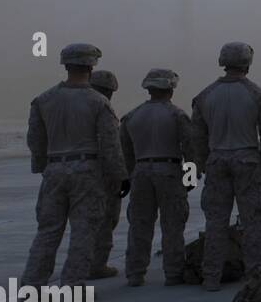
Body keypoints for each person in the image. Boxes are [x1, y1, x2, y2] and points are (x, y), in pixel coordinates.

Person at [22, 43, 125, 286]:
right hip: (87, 171)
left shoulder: (43, 100)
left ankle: (31, 286)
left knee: (47, 232)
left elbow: (35, 140)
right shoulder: (98, 102)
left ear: (66, 65)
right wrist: (120, 176)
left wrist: (42, 167)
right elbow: (110, 145)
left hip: (54, 170)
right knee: (83, 232)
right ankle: (71, 287)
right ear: (91, 66)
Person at [190, 41, 261, 291]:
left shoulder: (205, 96)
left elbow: (197, 136)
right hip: (248, 160)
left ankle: (211, 277)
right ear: (247, 63)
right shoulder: (257, 95)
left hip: (217, 159)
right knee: (252, 221)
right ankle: (256, 276)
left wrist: (202, 162)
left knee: (215, 222)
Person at [120, 68, 193, 286]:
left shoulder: (131, 117)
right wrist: (190, 177)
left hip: (141, 171)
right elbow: (190, 148)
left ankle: (134, 273)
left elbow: (126, 153)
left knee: (139, 225)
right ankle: (173, 272)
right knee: (172, 224)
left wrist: (129, 177)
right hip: (169, 170)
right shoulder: (177, 115)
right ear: (170, 88)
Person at [87, 69, 123, 279]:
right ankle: (94, 266)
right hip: (100, 173)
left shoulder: (52, 101)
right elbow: (111, 147)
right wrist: (121, 176)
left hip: (63, 170)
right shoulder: (103, 108)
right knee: (106, 219)